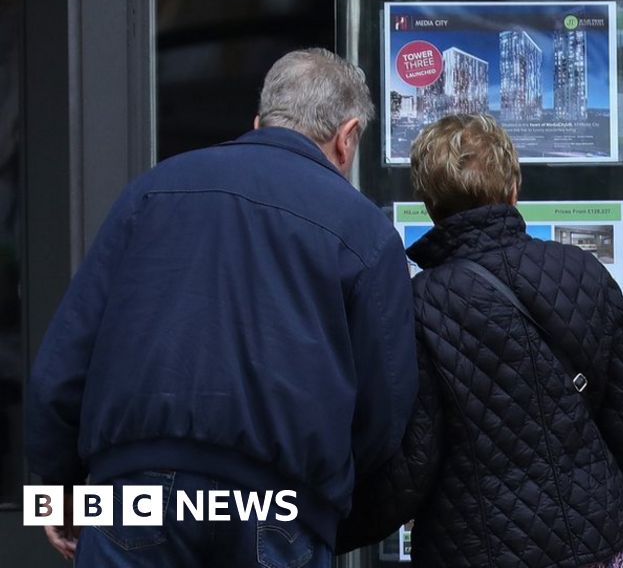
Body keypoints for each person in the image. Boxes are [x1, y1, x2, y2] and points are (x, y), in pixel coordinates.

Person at [25, 48, 419, 567]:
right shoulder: (364, 229)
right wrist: (325, 508)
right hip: (280, 504)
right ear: (347, 137)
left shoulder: (151, 191)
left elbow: (64, 364)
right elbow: (385, 409)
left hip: (134, 493)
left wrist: (55, 492)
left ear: (259, 122)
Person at [337, 114, 623, 567]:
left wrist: (326, 529)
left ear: (430, 205)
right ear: (513, 189)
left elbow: (412, 465)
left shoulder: (419, 305)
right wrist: (585, 489)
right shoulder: (584, 272)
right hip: (597, 545)